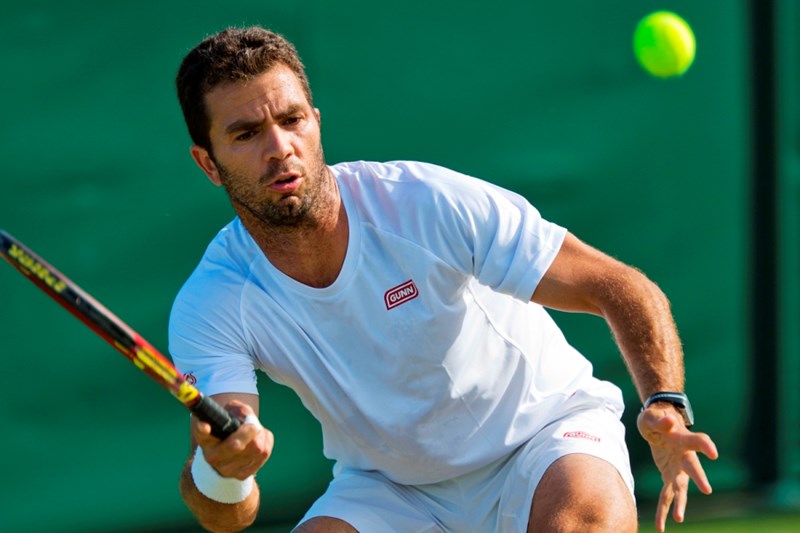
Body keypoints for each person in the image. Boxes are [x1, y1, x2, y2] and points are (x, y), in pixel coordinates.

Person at [169, 25, 718, 533]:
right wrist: (226, 469)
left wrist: (665, 400)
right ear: (208, 163)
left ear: (315, 121)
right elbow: (226, 515)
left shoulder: (423, 203)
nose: (279, 147)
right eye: (246, 134)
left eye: (292, 120)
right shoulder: (212, 302)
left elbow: (618, 285)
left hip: (545, 436)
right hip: (391, 490)